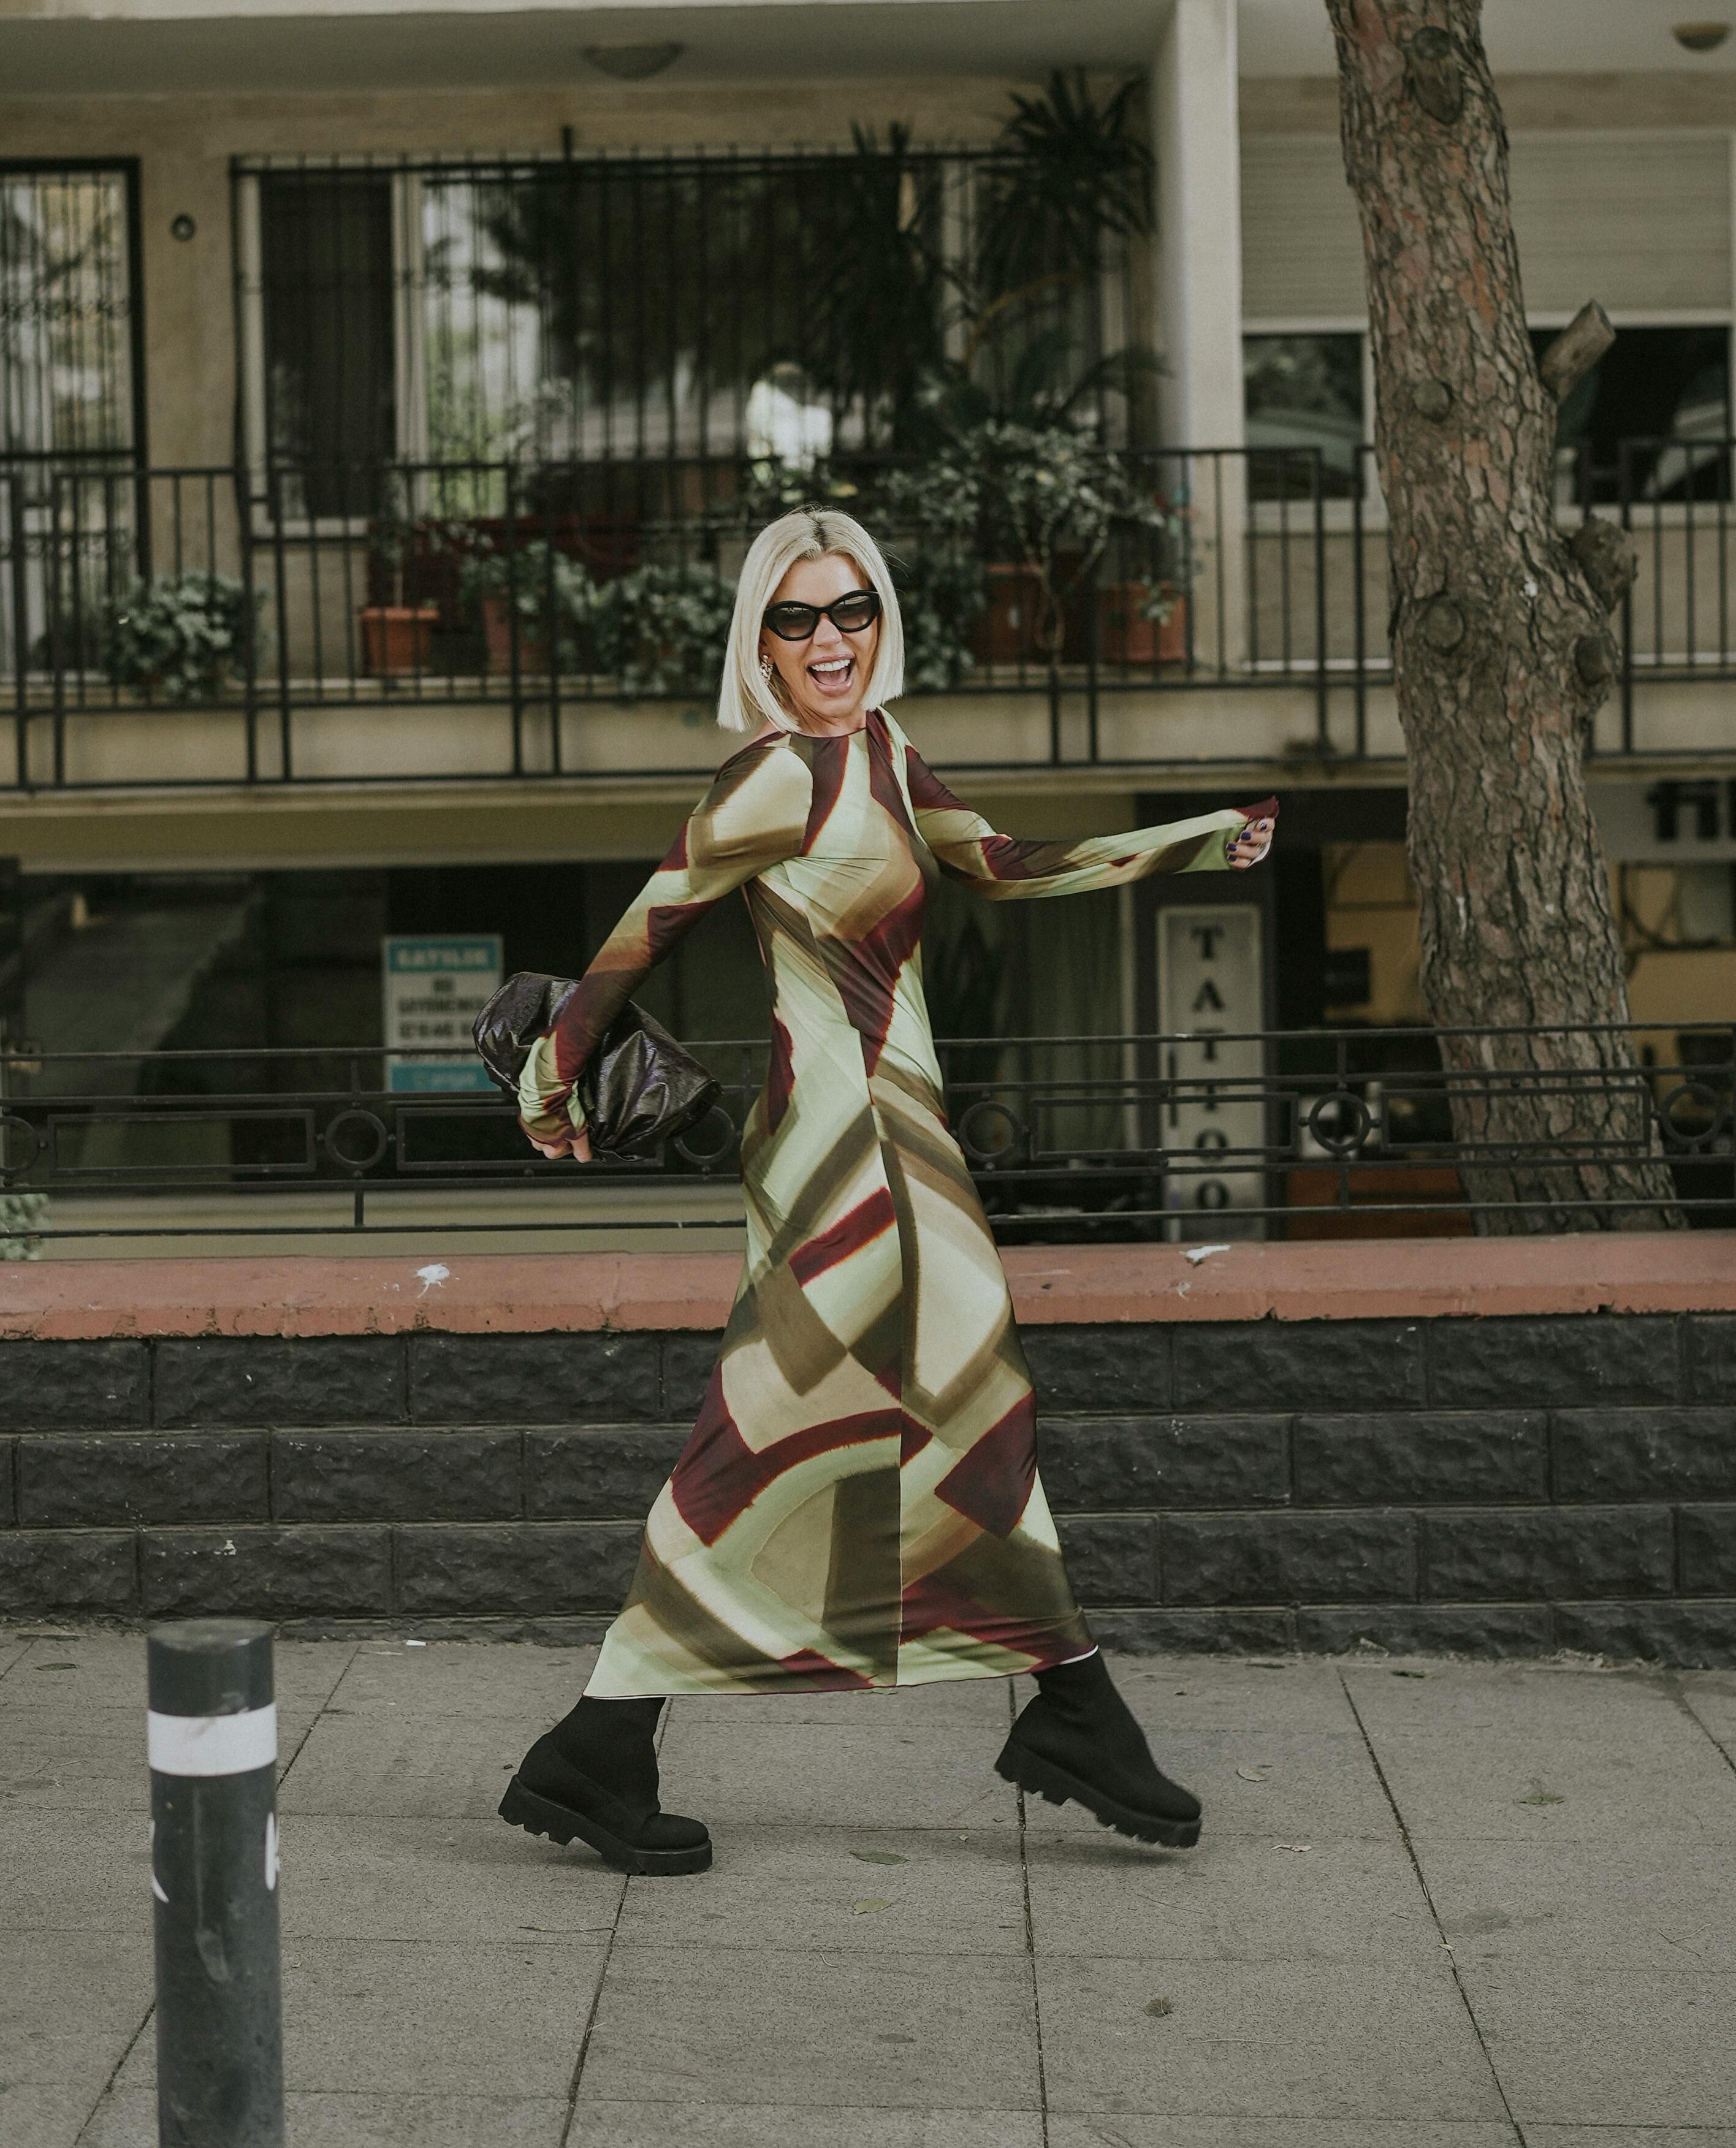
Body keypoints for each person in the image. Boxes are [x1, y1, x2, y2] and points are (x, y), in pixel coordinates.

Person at [501, 508, 1276, 1878]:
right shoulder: (769, 783)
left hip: (899, 1129)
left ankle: (612, 1738)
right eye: (794, 620)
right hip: (838, 1142)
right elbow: (636, 940)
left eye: (849, 609)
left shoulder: (888, 754)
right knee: (810, 1415)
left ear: (881, 620)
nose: (829, 640)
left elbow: (1008, 864)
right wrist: (549, 1089)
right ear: (759, 643)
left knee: (947, 1399)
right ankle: (1063, 1702)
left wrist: (1198, 840)